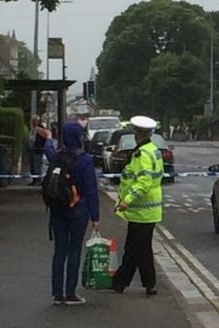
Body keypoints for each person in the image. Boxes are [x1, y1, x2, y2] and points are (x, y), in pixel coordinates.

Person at [46, 121, 100, 306]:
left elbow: (48, 150)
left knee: (59, 251)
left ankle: (57, 293)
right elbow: (91, 189)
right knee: (74, 249)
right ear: (79, 137)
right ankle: (70, 292)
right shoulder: (85, 160)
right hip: (78, 209)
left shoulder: (56, 156)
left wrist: (48, 137)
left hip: (57, 209)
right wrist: (95, 216)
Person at [112, 116, 164, 297]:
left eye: (136, 132)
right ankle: (121, 282)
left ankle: (148, 284)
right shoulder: (152, 150)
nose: (135, 135)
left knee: (140, 249)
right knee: (134, 248)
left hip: (142, 209)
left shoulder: (142, 155)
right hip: (145, 210)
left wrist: (127, 200)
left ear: (139, 134)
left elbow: (144, 182)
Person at [27, 115, 52, 185]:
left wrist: (41, 145)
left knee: (36, 165)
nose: (33, 122)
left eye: (35, 121)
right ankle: (34, 180)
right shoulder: (32, 129)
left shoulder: (40, 129)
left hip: (38, 150)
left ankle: (38, 180)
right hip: (32, 149)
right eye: (32, 121)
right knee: (32, 166)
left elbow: (46, 136)